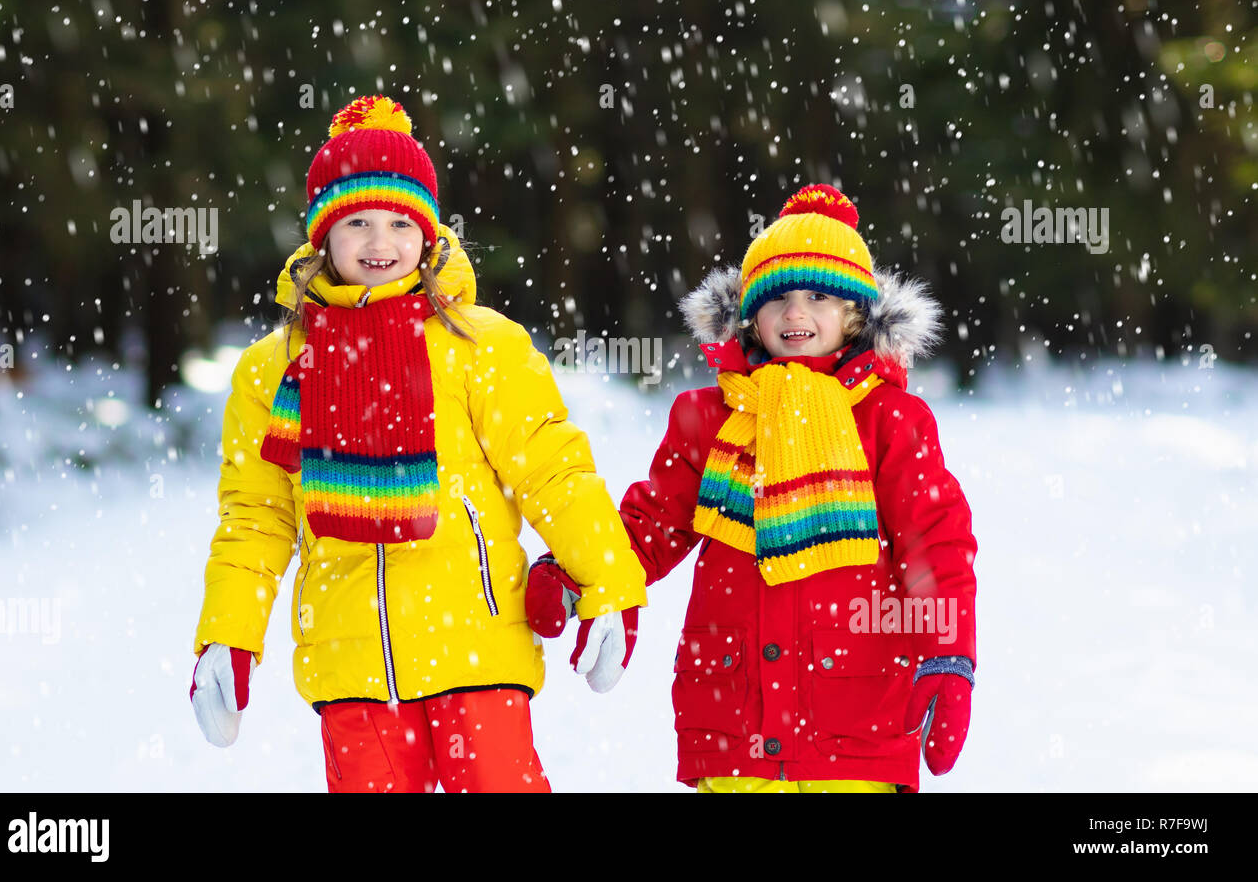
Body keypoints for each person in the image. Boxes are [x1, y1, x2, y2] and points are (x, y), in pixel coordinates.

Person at [189, 94, 645, 792]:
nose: (380, 243)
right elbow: (255, 515)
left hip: (478, 647)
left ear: (428, 232)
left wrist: (610, 583)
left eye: (400, 221)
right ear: (322, 240)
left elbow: (552, 468)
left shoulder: (480, 345)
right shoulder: (275, 368)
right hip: (351, 663)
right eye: (357, 223)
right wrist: (228, 635)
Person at [527, 184, 977, 792]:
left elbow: (936, 545)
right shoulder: (709, 417)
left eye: (818, 295)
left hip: (853, 725)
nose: (795, 314)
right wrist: (581, 567)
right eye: (776, 299)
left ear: (856, 314)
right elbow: (651, 524)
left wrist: (948, 653)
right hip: (733, 721)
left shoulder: (887, 419)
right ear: (749, 316)